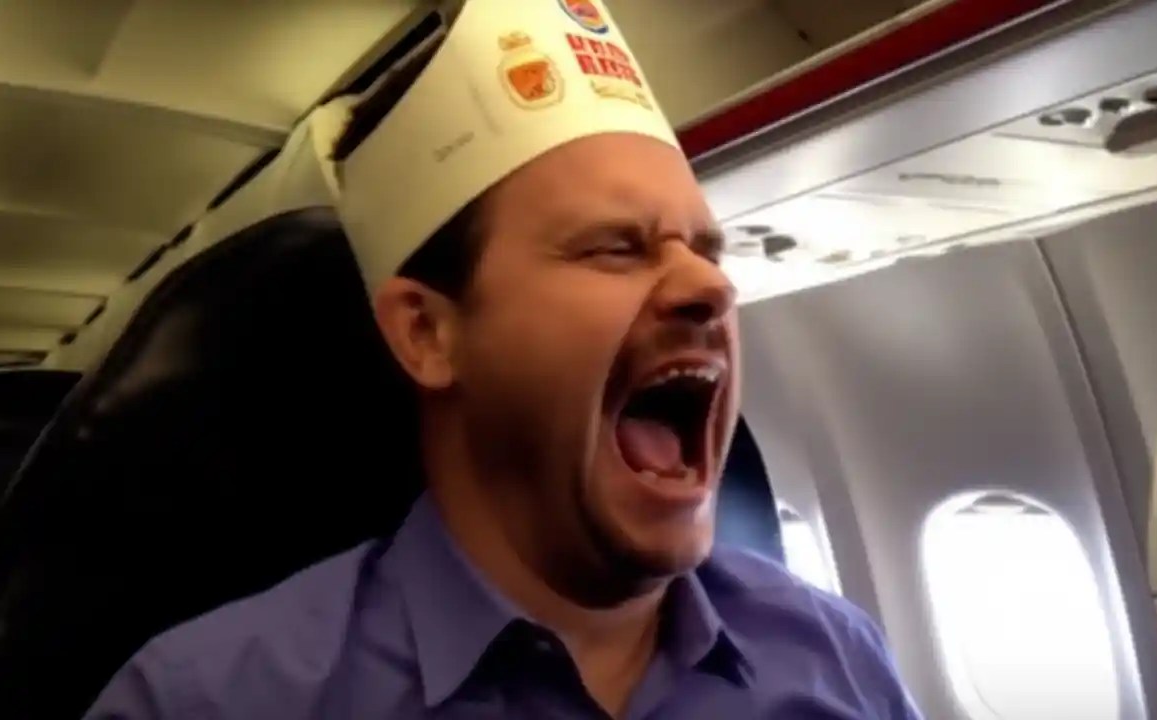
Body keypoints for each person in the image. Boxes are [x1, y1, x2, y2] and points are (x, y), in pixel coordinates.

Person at [85, 0, 922, 718]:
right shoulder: (209, 700)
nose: (711, 286)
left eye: (708, 249)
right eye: (615, 248)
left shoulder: (834, 656)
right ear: (426, 333)